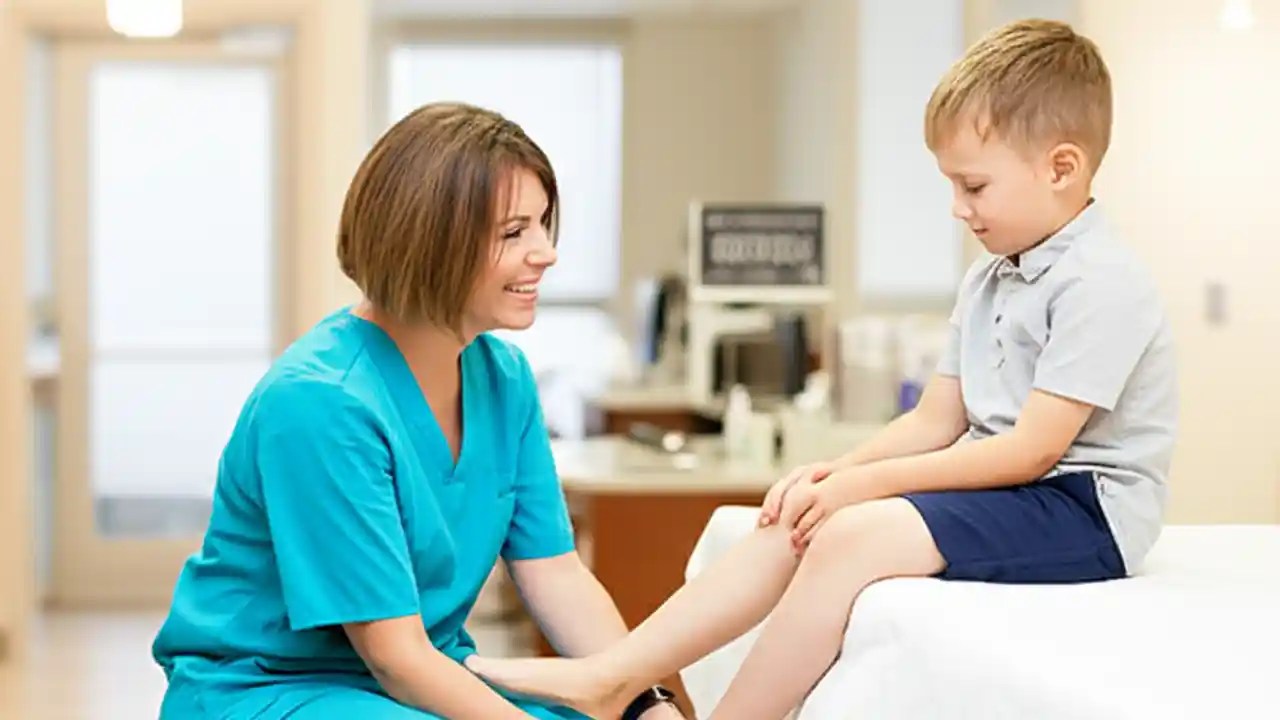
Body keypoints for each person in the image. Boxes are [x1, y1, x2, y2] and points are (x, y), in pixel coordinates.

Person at [466, 18, 1177, 720]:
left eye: (974, 187)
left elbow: (1033, 451)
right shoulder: (990, 280)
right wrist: (833, 474)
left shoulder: (1100, 281)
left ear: (1061, 168)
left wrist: (862, 488)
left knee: (849, 532)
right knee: (796, 516)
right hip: (1015, 495)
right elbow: (936, 420)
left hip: (1084, 506)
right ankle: (614, 674)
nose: (958, 209)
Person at [151, 102, 684, 720]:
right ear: (428, 241)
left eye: (543, 224)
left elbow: (555, 573)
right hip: (272, 690)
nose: (546, 252)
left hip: (427, 675)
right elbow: (393, 656)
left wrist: (642, 701)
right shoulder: (322, 402)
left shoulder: (504, 377)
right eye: (515, 232)